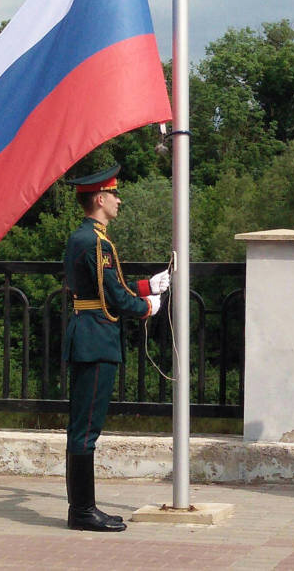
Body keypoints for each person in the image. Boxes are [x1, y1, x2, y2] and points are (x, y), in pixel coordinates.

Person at [62, 164, 170, 532]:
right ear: (99, 198)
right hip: (95, 341)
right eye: (114, 194)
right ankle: (82, 512)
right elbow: (113, 297)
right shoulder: (96, 241)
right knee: (85, 430)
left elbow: (105, 286)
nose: (119, 200)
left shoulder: (86, 237)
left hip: (90, 335)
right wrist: (147, 308)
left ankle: (83, 509)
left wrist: (146, 286)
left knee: (83, 428)